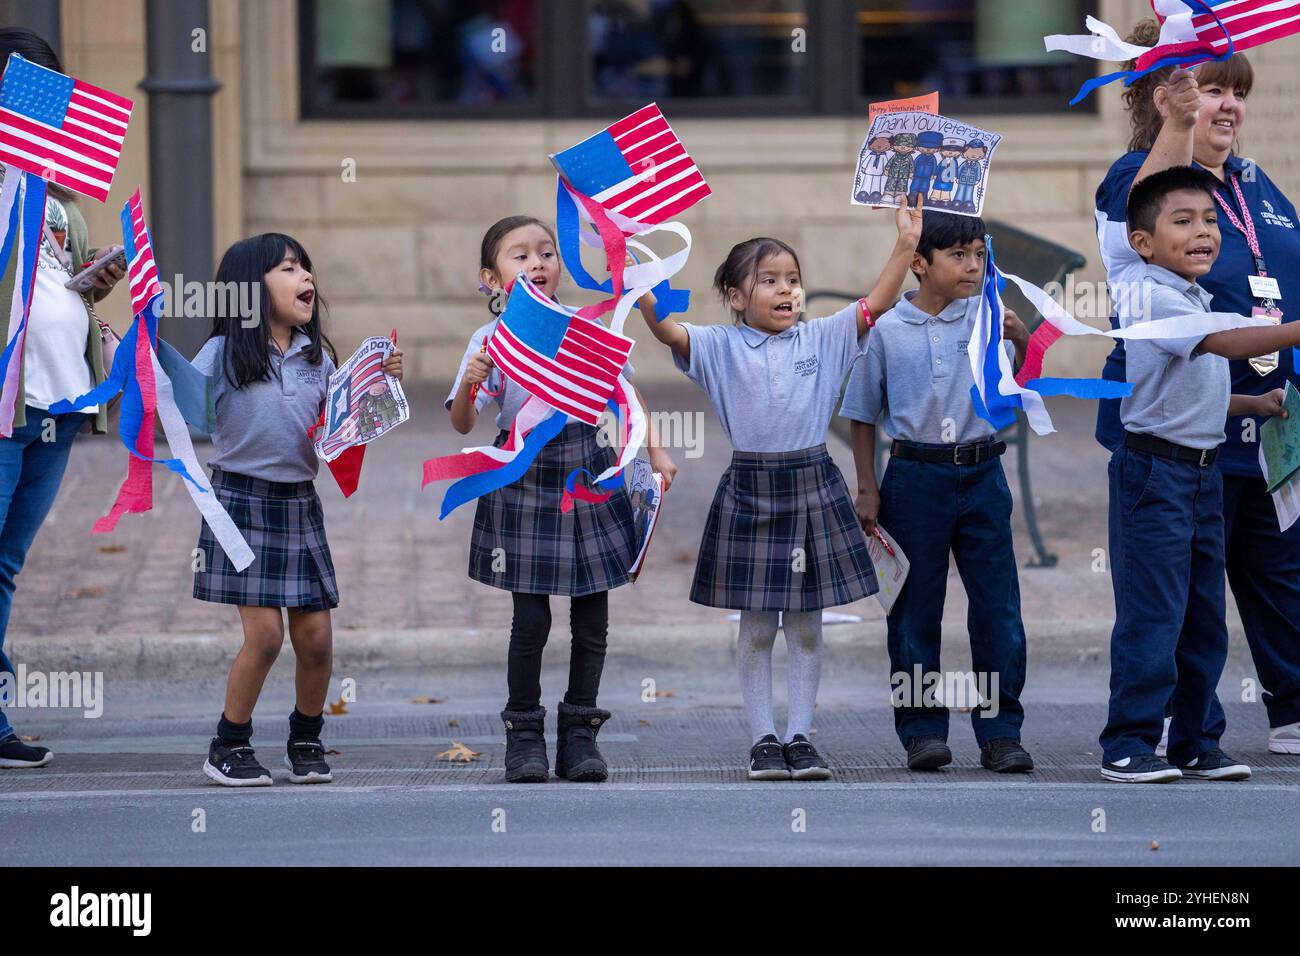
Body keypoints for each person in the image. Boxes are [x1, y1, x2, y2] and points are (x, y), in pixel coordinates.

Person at [635, 201, 922, 781]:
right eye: (768, 281)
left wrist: (904, 242)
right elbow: (664, 326)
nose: (786, 291)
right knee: (759, 625)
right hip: (750, 488)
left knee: (807, 627)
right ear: (738, 298)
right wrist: (634, 274)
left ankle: (800, 738)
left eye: (793, 280)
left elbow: (877, 302)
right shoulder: (716, 346)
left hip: (814, 483)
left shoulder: (825, 337)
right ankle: (763, 738)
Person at [1094, 20, 1300, 756]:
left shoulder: (1255, 184)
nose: (1226, 104)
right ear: (1165, 93)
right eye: (1210, 87)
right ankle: (1139, 738)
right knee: (1164, 603)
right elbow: (1152, 208)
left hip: (1256, 423)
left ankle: (1249, 725)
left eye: (1236, 91)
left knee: (1263, 583)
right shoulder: (1137, 181)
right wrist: (1177, 123)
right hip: (1169, 440)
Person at [446, 215, 677, 784]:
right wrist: (473, 381)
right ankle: (523, 735)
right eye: (519, 256)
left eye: (546, 252)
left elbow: (627, 393)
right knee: (529, 618)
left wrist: (656, 452)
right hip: (523, 472)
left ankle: (579, 732)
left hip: (589, 469)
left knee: (592, 612)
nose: (538, 263)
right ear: (490, 278)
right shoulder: (488, 341)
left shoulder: (582, 325)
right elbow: (460, 423)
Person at [192, 233, 403, 787]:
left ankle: (306, 738)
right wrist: (134, 356)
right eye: (288, 269)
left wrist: (378, 387)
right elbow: (173, 403)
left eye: (306, 268)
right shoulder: (221, 355)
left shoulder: (318, 357)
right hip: (240, 501)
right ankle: (228, 744)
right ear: (248, 289)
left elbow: (343, 430)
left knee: (315, 638)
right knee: (264, 637)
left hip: (299, 504)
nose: (305, 277)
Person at [843, 211, 1034, 773]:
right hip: (913, 480)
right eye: (958, 255)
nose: (972, 265)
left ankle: (1000, 731)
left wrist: (1022, 342)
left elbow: (1019, 386)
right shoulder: (885, 329)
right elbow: (861, 415)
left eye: (978, 253)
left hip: (982, 474)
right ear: (920, 264)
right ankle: (921, 729)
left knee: (997, 609)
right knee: (912, 611)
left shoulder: (990, 316)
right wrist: (868, 488)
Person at [0, 28, 124, 770]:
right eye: (26, 90)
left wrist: (94, 282)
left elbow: (60, 278)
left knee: (7, 560)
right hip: (6, 400)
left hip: (59, 401)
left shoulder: (59, 199)